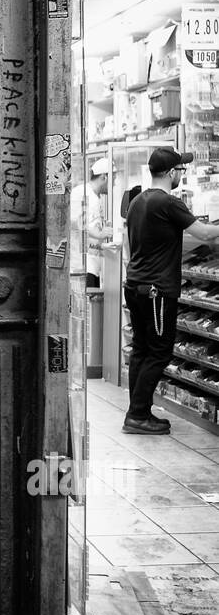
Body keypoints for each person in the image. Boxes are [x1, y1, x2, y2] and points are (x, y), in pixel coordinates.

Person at [123, 147, 219, 434]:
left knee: (141, 349)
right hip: (156, 291)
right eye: (181, 169)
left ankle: (137, 411)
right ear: (170, 172)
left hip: (135, 285)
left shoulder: (137, 200)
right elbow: (203, 234)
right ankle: (137, 415)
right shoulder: (168, 203)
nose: (182, 174)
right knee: (160, 352)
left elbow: (129, 245)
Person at [71, 157, 112, 287]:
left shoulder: (95, 196)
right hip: (83, 266)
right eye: (113, 178)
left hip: (94, 265)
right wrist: (99, 234)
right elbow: (75, 223)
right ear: (104, 177)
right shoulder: (83, 193)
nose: (114, 183)